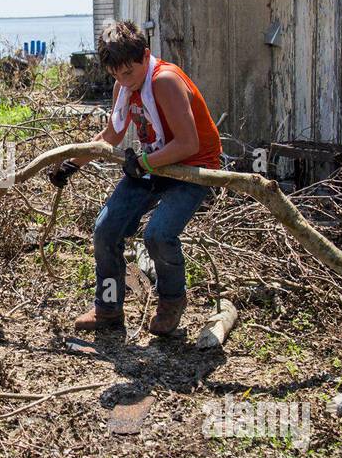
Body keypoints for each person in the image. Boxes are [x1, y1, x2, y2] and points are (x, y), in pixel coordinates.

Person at [48, 21, 222, 336]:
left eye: (127, 72)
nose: (122, 80)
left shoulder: (165, 82)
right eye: (115, 74)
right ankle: (109, 309)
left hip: (192, 167)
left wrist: (143, 163)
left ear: (145, 55)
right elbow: (112, 134)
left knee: (158, 235)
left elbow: (188, 144)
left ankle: (171, 302)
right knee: (105, 229)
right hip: (153, 162)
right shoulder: (124, 86)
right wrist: (73, 164)